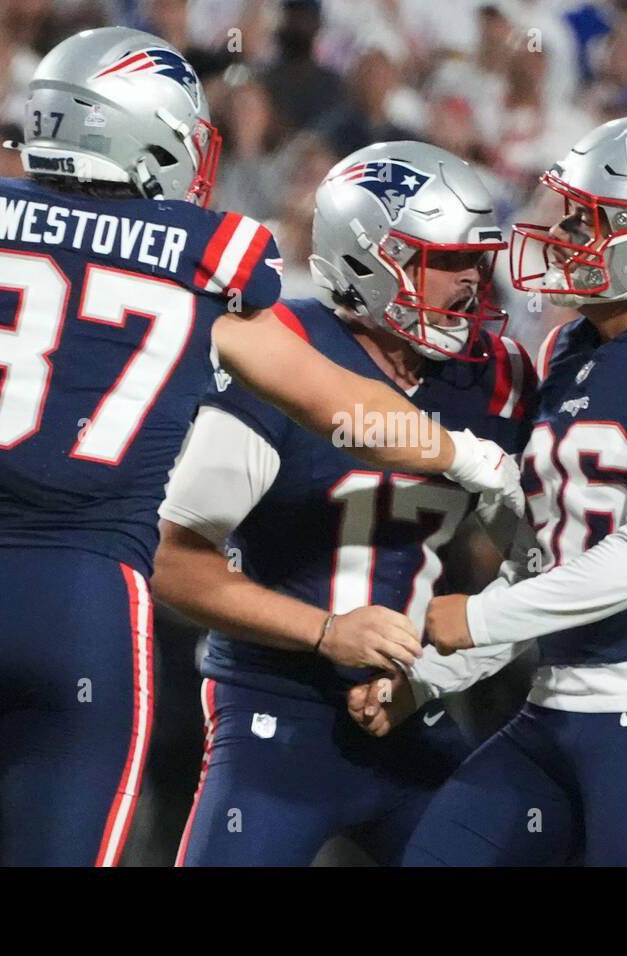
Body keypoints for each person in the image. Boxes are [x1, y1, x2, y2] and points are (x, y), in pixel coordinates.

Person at [0, 27, 520, 867]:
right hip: (86, 610)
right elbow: (352, 414)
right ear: (144, 134)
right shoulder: (200, 267)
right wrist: (475, 461)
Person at [356, 117, 627, 866]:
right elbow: (550, 562)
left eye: (590, 220)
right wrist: (430, 676)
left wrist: (480, 618)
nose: (560, 234)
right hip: (555, 705)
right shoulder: (567, 350)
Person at [159, 140, 533, 866]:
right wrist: (327, 630)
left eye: (474, 260)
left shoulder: (497, 376)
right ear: (370, 262)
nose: (469, 284)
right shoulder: (286, 350)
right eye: (445, 260)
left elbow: (566, 505)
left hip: (408, 706)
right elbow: (174, 564)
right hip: (274, 707)